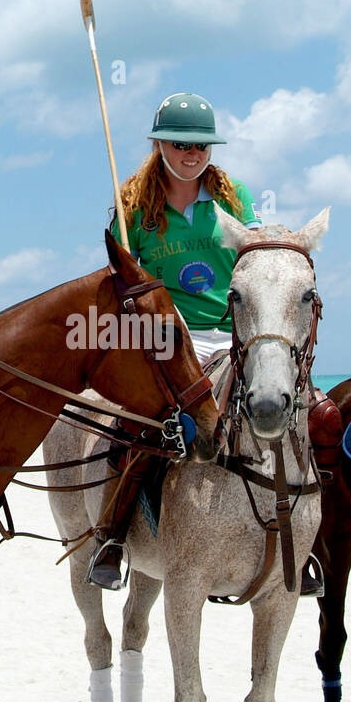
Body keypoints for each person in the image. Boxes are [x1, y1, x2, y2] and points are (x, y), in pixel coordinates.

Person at [87, 92, 263, 590]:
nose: (194, 154)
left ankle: (304, 541)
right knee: (139, 429)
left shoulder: (234, 196)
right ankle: (113, 538)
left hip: (233, 336)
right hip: (167, 343)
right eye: (182, 144)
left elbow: (253, 261)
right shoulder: (133, 204)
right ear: (159, 143)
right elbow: (120, 282)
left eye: (203, 145)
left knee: (295, 411)